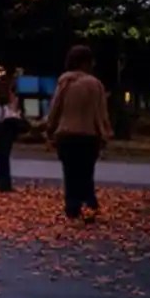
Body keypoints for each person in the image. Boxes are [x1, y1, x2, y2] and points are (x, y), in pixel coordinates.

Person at [46, 45, 112, 221]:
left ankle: (72, 207)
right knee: (87, 172)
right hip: (90, 135)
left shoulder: (65, 82)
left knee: (70, 172)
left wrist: (50, 128)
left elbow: (56, 107)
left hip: (66, 133)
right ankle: (89, 204)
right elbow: (101, 112)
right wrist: (104, 133)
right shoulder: (95, 84)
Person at [0, 68, 21, 192]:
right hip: (9, 124)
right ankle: (5, 183)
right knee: (5, 154)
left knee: (1, 155)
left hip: (0, 124)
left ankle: (3, 182)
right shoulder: (12, 96)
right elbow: (15, 112)